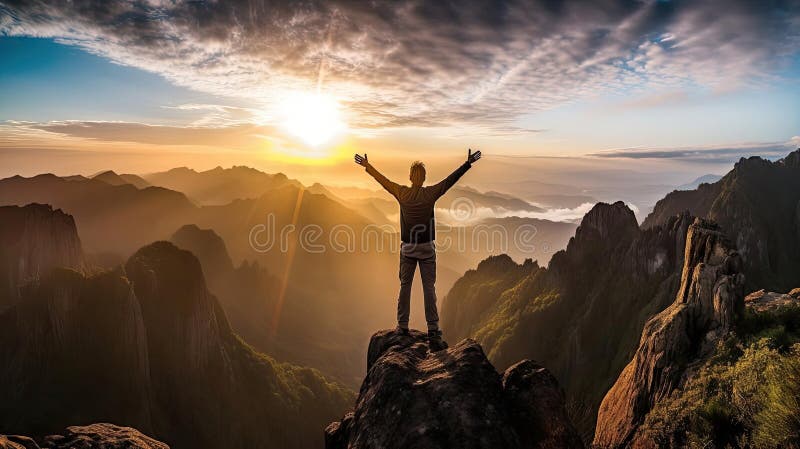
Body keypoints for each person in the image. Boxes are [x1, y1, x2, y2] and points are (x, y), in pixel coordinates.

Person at [354, 149, 482, 347]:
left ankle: (402, 326)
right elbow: (449, 181)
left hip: (408, 249)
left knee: (405, 286)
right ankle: (433, 330)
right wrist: (467, 164)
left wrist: (368, 167)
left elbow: (384, 182)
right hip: (426, 249)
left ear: (410, 177)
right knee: (428, 288)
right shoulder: (430, 193)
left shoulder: (402, 193)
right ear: (424, 178)